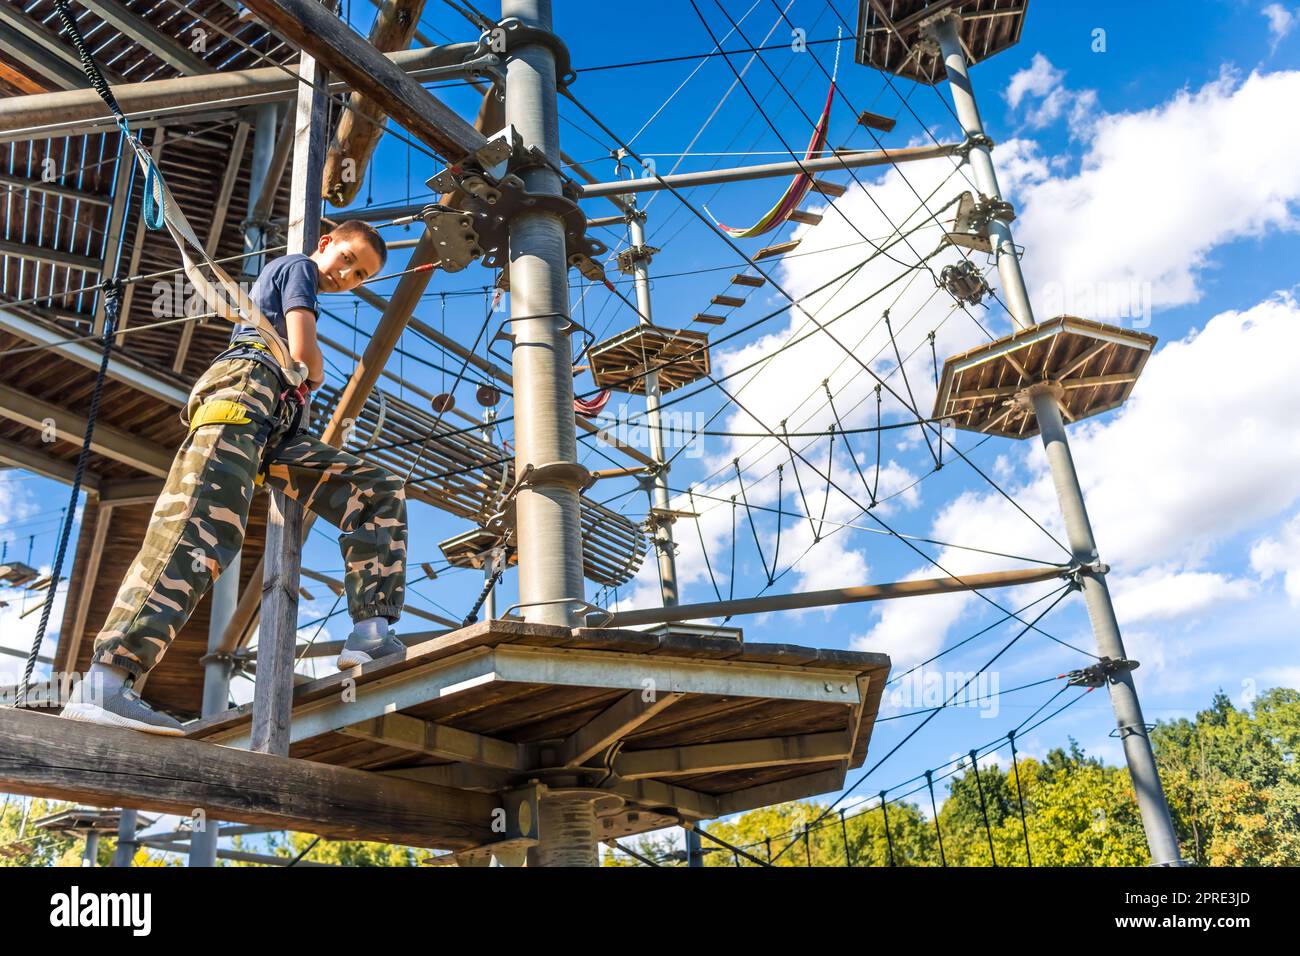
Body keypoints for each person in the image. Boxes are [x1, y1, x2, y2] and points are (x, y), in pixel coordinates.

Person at [61, 220, 408, 735]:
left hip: (275, 422)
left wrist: (305, 377)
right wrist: (313, 369)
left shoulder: (306, 277)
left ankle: (371, 631)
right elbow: (301, 350)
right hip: (245, 392)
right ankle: (106, 682)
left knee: (376, 490)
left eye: (360, 275)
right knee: (199, 525)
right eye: (347, 259)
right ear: (325, 244)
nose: (348, 275)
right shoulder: (297, 269)